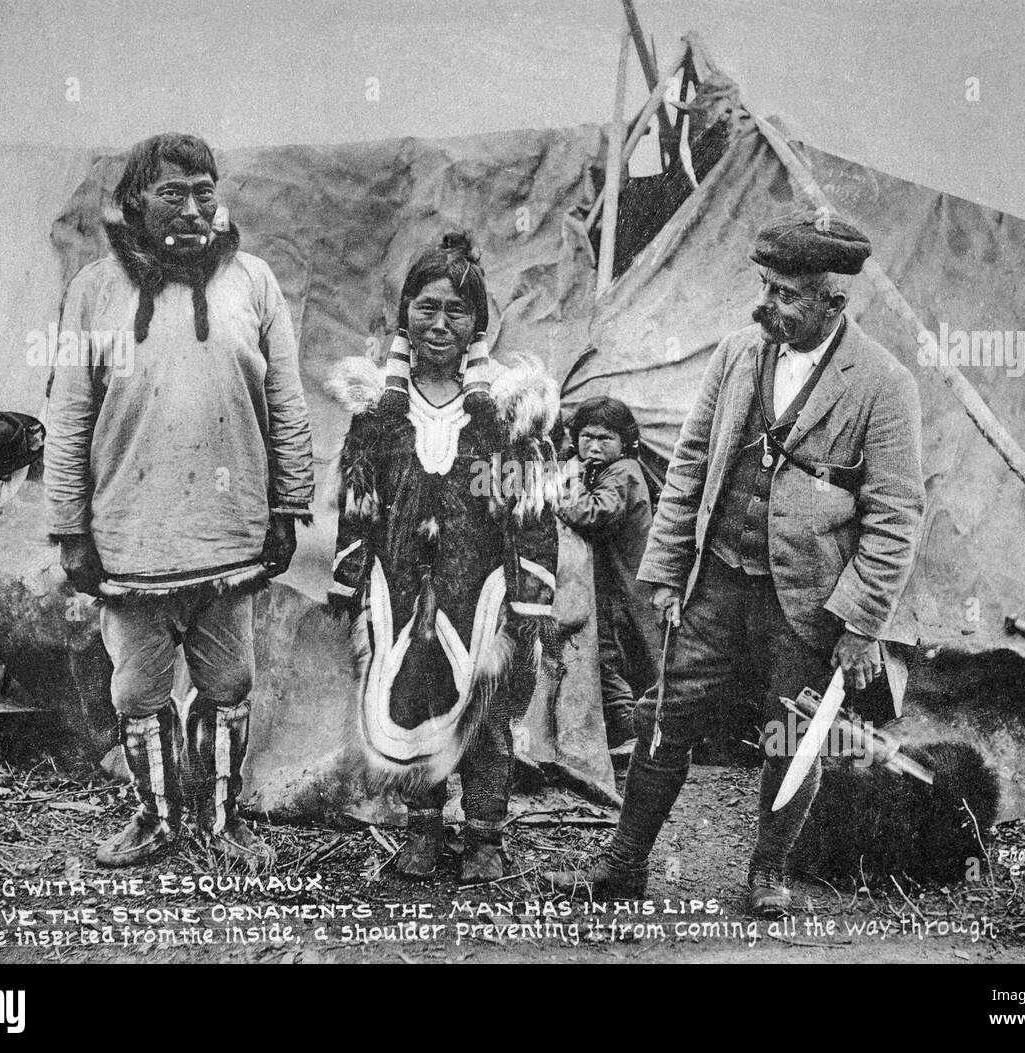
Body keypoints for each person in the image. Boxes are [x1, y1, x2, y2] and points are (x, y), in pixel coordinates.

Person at [547, 211, 924, 914]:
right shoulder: (736, 355)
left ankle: (767, 872)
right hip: (718, 579)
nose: (769, 304)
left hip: (810, 596)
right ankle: (623, 864)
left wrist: (864, 622)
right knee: (666, 713)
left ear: (832, 301)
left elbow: (896, 516)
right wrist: (662, 573)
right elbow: (690, 466)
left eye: (787, 293)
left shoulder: (883, 384)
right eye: (766, 287)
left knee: (792, 733)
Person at [45, 133, 315, 868]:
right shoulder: (93, 290)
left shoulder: (253, 282)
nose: (193, 208)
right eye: (173, 193)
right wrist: (69, 527)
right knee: (138, 687)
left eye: (205, 191)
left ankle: (220, 822)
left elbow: (287, 403)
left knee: (230, 681)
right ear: (136, 201)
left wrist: (288, 505)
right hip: (133, 534)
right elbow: (70, 412)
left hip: (229, 532)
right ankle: (158, 818)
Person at [327, 231, 561, 883]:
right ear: (404, 314)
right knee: (410, 699)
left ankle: (486, 834)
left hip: (481, 591)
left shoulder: (504, 414)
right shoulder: (378, 410)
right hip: (399, 589)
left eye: (456, 311)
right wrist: (352, 585)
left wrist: (530, 602)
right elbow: (358, 502)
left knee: (484, 718)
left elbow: (531, 513)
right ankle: (423, 826)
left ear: (477, 324)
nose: (439, 322)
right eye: (426, 306)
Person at [557, 397, 658, 749]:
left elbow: (597, 512)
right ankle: (625, 729)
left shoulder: (624, 471)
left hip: (625, 583)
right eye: (587, 437)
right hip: (612, 580)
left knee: (609, 653)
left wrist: (558, 496)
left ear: (624, 442)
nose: (594, 446)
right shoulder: (600, 468)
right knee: (610, 652)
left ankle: (629, 731)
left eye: (605, 439)